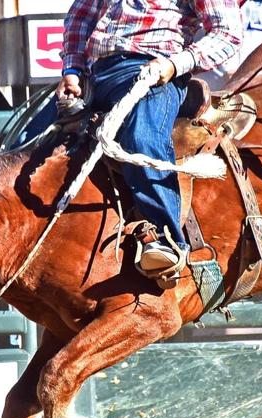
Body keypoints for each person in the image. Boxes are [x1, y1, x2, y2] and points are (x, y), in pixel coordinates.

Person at [36, 0, 243, 278]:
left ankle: (166, 239)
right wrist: (72, 71)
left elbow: (227, 33)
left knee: (142, 138)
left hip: (153, 73)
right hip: (95, 76)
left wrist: (175, 64)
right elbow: (82, 14)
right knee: (32, 143)